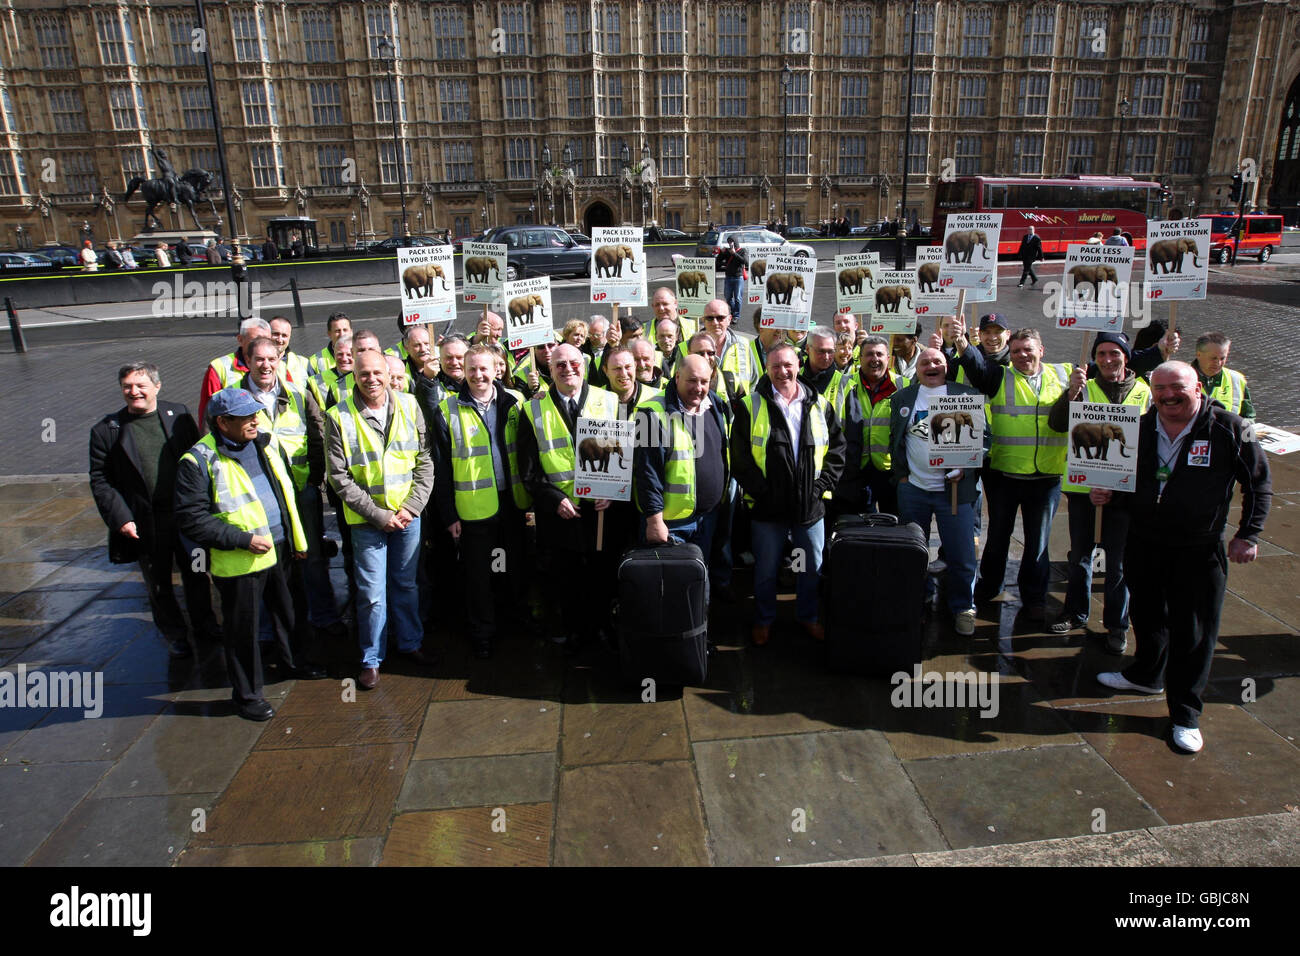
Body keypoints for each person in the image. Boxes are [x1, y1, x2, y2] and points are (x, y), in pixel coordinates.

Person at [1097, 362, 1270, 754]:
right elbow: (1128, 479)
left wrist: (1249, 534)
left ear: (1197, 388)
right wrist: (1109, 494)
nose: (1167, 395)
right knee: (1146, 613)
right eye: (1159, 388)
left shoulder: (1231, 427)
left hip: (1199, 546)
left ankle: (1185, 713)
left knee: (1194, 631)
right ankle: (1146, 673)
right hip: (1144, 540)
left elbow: (1259, 483)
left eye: (1177, 387)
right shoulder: (1138, 426)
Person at [174, 388, 324, 721]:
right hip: (242, 559)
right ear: (222, 422)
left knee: (290, 613)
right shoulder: (198, 460)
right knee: (242, 631)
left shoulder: (265, 443)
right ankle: (247, 696)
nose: (256, 419)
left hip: (281, 547)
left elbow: (285, 493)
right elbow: (191, 518)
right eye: (246, 416)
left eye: (256, 413)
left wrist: (297, 539)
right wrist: (242, 540)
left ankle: (294, 663)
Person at [325, 351, 436, 689]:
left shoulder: (409, 405)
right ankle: (371, 658)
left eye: (377, 373)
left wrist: (411, 507)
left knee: (406, 585)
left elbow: (424, 460)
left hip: (407, 517)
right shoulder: (338, 416)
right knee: (372, 593)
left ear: (389, 374)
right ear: (354, 376)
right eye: (364, 374)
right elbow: (339, 477)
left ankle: (410, 643)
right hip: (366, 521)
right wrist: (378, 515)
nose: (371, 379)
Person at [89, 362, 216, 658]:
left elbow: (199, 459)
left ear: (157, 387)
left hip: (185, 514)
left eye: (140, 385)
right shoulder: (107, 431)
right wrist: (121, 519)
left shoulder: (180, 415)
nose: (134, 392)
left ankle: (206, 625)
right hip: (146, 522)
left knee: (197, 573)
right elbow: (101, 480)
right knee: (159, 584)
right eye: (128, 387)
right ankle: (175, 634)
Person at [731, 342, 845, 646]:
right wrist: (763, 493)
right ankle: (764, 620)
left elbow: (837, 450)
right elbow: (740, 458)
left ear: (799, 364)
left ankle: (808, 617)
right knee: (766, 571)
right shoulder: (750, 405)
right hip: (768, 508)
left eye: (788, 365)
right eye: (775, 366)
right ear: (767, 369)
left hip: (810, 507)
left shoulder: (819, 404)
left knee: (811, 568)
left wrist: (821, 489)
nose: (783, 371)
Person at [1046, 332, 1151, 650]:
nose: (1107, 360)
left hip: (1123, 494)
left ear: (1126, 357)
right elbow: (1057, 424)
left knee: (1118, 563)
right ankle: (1075, 612)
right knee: (1080, 557)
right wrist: (1070, 394)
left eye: (1114, 353)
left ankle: (1117, 624)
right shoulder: (1084, 387)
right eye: (1101, 354)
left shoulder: (1144, 392)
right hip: (1083, 490)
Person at [430, 345, 531, 659]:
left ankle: (516, 621)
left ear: (496, 369)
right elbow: (440, 468)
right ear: (463, 369)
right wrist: (449, 515)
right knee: (477, 576)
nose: (478, 375)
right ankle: (482, 632)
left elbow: (528, 455)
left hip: (513, 502)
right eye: (471, 369)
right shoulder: (446, 410)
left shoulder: (515, 402)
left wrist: (531, 503)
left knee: (514, 566)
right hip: (473, 507)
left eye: (484, 368)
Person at [517, 343, 619, 653]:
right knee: (565, 578)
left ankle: (601, 628)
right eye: (560, 364)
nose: (568, 369)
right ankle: (571, 631)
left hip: (600, 510)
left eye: (574, 362)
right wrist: (553, 500)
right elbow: (529, 469)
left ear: (584, 365)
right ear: (550, 369)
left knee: (601, 575)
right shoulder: (532, 408)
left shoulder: (609, 400)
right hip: (559, 512)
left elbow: (623, 453)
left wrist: (614, 493)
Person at [240, 337, 343, 642]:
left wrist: (314, 480)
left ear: (280, 360)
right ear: (248, 360)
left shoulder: (298, 395)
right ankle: (268, 630)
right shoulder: (234, 399)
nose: (266, 365)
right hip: (260, 499)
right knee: (266, 562)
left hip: (301, 492)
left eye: (272, 359)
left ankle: (324, 616)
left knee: (312, 557)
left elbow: (317, 436)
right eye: (259, 359)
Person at [968, 329, 1070, 618]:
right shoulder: (1001, 376)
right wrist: (960, 340)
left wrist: (1160, 350)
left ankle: (1034, 597)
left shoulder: (1065, 375)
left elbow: (1115, 364)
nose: (1022, 355)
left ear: (1042, 349)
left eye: (1028, 349)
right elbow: (974, 364)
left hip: (1046, 476)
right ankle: (989, 586)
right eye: (1016, 352)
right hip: (1005, 474)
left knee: (1038, 542)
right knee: (999, 536)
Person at [888, 347, 987, 635]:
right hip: (914, 490)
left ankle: (963, 607)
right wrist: (902, 477)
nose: (931, 365)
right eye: (925, 362)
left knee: (961, 553)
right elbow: (895, 438)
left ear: (947, 367)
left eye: (937, 361)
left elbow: (985, 438)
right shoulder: (904, 397)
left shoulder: (964, 396)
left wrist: (965, 468)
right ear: (917, 369)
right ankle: (917, 601)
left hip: (954, 493)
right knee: (914, 554)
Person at [635, 353, 729, 566]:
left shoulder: (714, 404)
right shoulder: (649, 414)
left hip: (708, 518)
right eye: (692, 380)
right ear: (677, 377)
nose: (699, 388)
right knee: (671, 588)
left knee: (697, 581)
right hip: (671, 525)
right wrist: (654, 521)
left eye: (704, 382)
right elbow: (647, 473)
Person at [837, 335, 910, 517]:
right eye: (869, 354)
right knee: (860, 527)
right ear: (860, 358)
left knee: (893, 524)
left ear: (888, 358)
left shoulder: (904, 385)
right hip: (856, 470)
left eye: (879, 354)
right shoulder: (845, 384)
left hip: (891, 471)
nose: (874, 359)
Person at [197, 317, 272, 426]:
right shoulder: (219, 367)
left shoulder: (279, 366)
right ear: (240, 340)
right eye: (255, 340)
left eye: (266, 340)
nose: (260, 345)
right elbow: (208, 413)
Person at [1191, 332, 1254, 419]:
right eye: (1213, 358)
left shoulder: (1236, 380)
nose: (1218, 363)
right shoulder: (1181, 378)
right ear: (1198, 355)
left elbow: (1248, 416)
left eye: (1222, 358)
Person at [800, 326, 851, 421]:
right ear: (807, 349)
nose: (826, 357)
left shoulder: (846, 385)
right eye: (821, 351)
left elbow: (854, 431)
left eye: (830, 351)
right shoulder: (794, 378)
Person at [268, 315, 309, 386]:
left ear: (289, 337)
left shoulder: (303, 363)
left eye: (284, 336)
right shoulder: (259, 363)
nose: (280, 340)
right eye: (275, 334)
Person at [716, 236, 747, 322]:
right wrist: (721, 253)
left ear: (736, 242)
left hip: (738, 277)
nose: (730, 244)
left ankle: (736, 316)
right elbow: (718, 262)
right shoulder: (727, 251)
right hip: (728, 277)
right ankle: (733, 311)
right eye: (729, 242)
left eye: (732, 242)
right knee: (728, 296)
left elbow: (745, 262)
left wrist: (734, 254)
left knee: (737, 298)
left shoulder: (742, 250)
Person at [654, 317, 681, 382]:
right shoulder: (650, 356)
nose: (666, 340)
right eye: (662, 336)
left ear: (676, 336)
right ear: (656, 337)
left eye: (670, 336)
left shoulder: (683, 354)